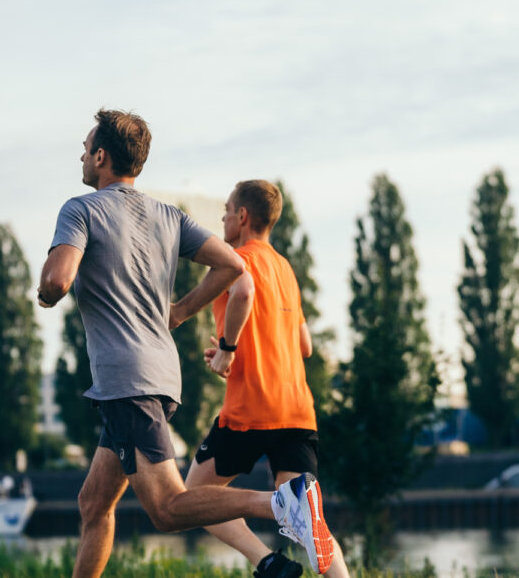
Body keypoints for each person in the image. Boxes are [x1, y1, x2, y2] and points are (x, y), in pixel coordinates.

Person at [37, 110, 333, 578]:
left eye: (85, 147)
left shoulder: (81, 209)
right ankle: (278, 533)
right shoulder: (168, 215)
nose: (81, 155)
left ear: (101, 156)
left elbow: (57, 280)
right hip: (157, 375)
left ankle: (278, 504)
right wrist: (179, 312)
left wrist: (47, 292)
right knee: (94, 503)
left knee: (167, 508)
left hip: (126, 381)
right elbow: (232, 266)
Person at [184, 180, 349, 578]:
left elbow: (242, 292)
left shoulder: (233, 259)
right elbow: (304, 344)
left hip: (252, 409)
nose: (222, 217)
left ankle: (268, 562)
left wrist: (228, 348)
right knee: (310, 520)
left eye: (226, 210)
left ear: (242, 217)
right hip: (297, 411)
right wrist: (238, 348)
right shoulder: (285, 267)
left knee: (192, 499)